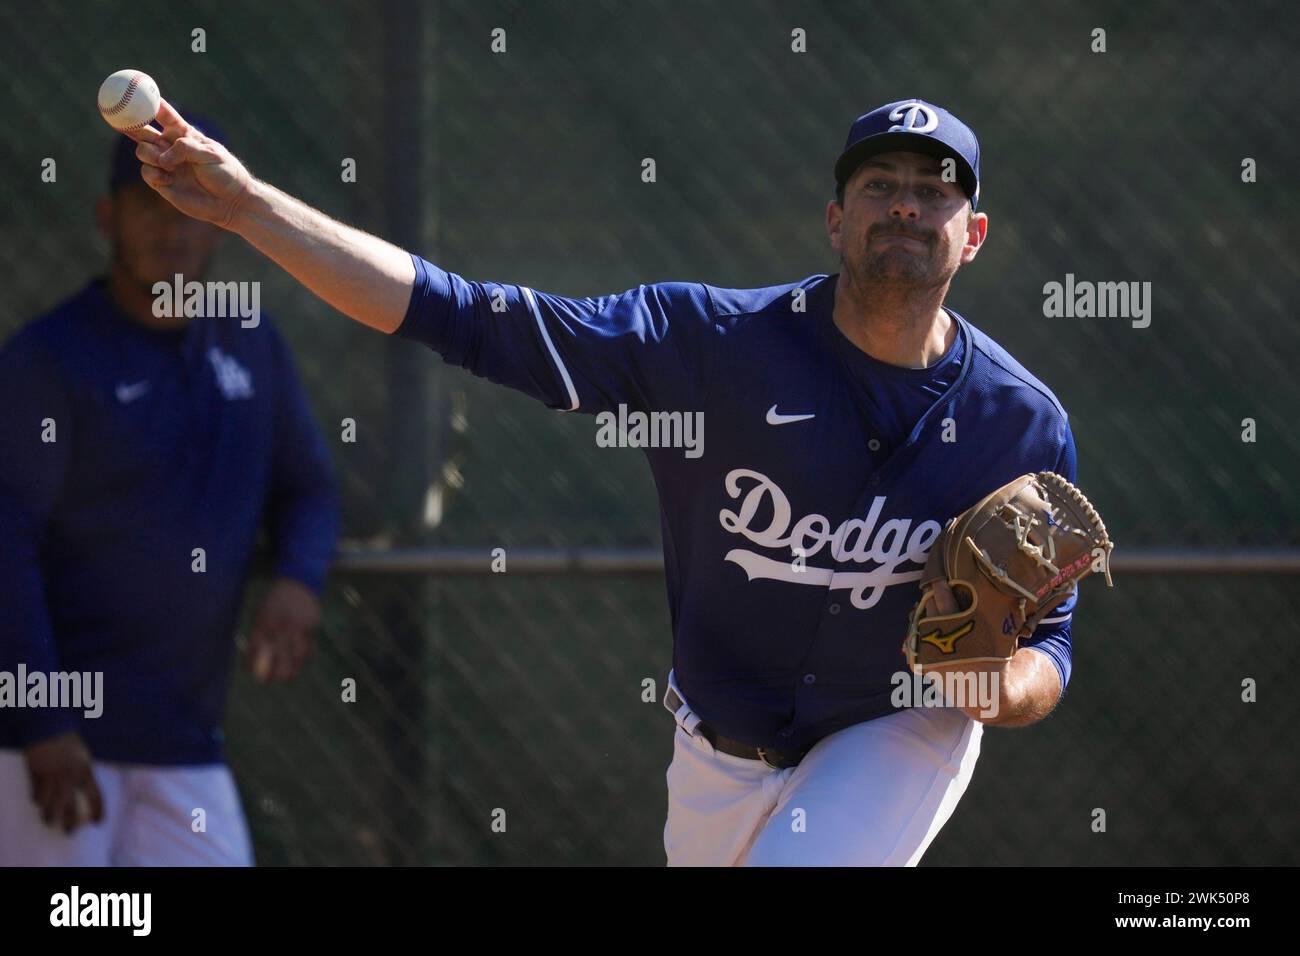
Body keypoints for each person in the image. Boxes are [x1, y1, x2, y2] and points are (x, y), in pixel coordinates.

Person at [122, 97, 1076, 866]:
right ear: (836, 219)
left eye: (934, 190)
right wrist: (247, 206)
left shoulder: (1019, 423)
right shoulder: (712, 344)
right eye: (880, 186)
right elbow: (461, 314)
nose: (906, 204)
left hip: (898, 723)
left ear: (975, 232)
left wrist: (1003, 684)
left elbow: (1052, 647)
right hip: (718, 741)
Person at [0, 126, 340, 866]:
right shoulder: (45, 361)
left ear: (218, 224)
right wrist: (41, 721)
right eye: (149, 206)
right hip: (54, 751)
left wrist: (298, 579)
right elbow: (6, 546)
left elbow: (308, 489)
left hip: (185, 742)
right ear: (106, 217)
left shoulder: (251, 341)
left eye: (189, 209)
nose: (172, 230)